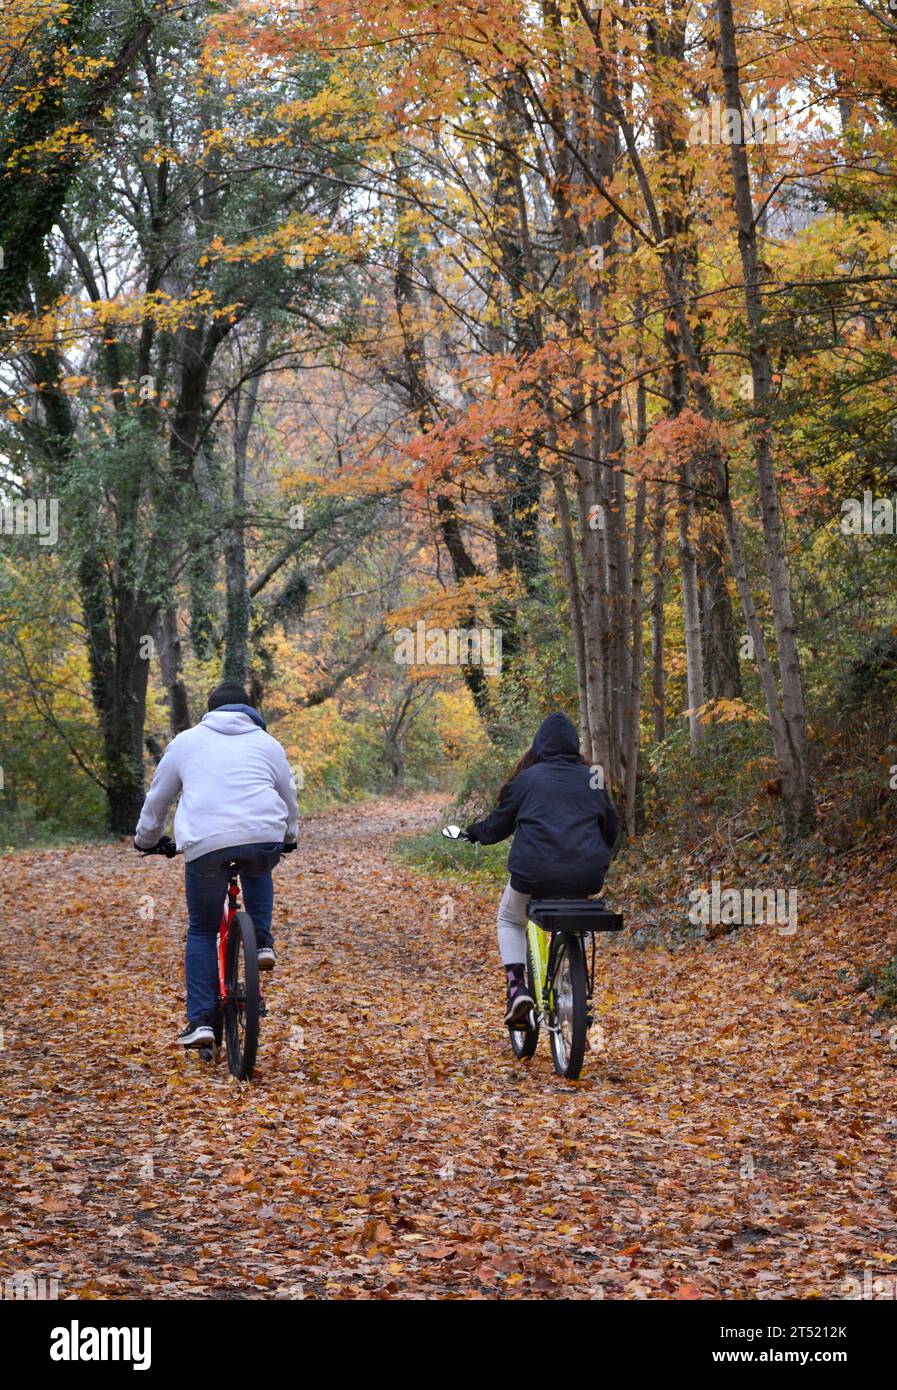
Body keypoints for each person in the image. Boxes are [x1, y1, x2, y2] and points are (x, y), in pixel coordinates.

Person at [133, 681, 299, 1048]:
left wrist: (145, 839)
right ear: (250, 711)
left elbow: (157, 800)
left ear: (208, 712)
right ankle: (263, 943)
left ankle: (201, 1021)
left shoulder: (186, 742)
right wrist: (289, 836)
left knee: (203, 930)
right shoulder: (267, 744)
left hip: (206, 844)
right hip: (263, 837)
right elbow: (288, 795)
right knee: (260, 863)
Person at [465, 711, 619, 1026]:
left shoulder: (527, 779)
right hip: (586, 876)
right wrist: (594, 853)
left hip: (533, 876)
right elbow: (612, 827)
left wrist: (473, 832)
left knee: (509, 920)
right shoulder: (593, 778)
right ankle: (572, 984)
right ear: (575, 746)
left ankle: (517, 988)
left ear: (539, 746)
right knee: (579, 916)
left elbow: (496, 828)